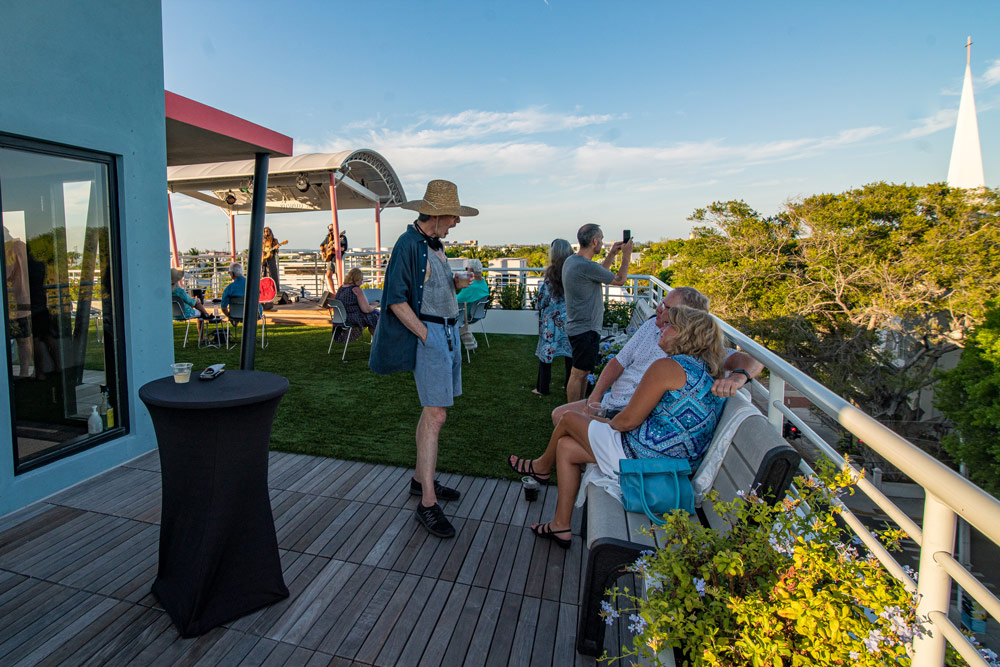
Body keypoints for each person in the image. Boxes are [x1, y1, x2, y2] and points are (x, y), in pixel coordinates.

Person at [508, 305, 728, 548]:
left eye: (668, 326)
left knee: (569, 418)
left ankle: (541, 467)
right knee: (567, 447)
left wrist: (599, 422)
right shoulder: (706, 370)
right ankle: (561, 525)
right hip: (670, 463)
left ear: (685, 333)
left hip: (644, 459)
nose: (661, 330)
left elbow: (627, 421)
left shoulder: (668, 367)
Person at [369, 179, 478, 539]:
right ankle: (428, 502)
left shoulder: (434, 245)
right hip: (432, 335)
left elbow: (430, 288)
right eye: (454, 216)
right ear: (437, 214)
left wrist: (456, 283)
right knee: (436, 413)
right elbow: (395, 298)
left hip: (446, 334)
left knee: (431, 411)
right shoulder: (408, 245)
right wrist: (426, 335)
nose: (457, 222)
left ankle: (420, 480)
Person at [552, 286, 763, 425]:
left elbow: (753, 361)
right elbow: (618, 362)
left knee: (567, 423)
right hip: (611, 402)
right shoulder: (650, 328)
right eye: (662, 303)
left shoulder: (700, 348)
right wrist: (595, 399)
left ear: (687, 317)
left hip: (632, 414)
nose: (659, 308)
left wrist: (738, 377)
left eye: (666, 307)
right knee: (558, 416)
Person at [563, 224, 633, 404]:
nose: (602, 242)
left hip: (579, 326)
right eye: (601, 239)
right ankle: (571, 411)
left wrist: (611, 255)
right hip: (585, 329)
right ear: (595, 241)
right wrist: (626, 256)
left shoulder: (573, 261)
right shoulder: (585, 266)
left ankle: (579, 407)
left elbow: (600, 274)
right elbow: (620, 280)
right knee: (578, 373)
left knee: (583, 372)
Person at [532, 239, 574, 395]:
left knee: (546, 356)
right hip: (569, 319)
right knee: (570, 355)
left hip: (551, 322)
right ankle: (568, 385)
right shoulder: (572, 271)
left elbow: (543, 299)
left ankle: (542, 388)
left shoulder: (550, 274)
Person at [171, 268, 218, 343]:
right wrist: (196, 300)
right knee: (198, 306)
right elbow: (191, 302)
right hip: (185, 313)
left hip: (172, 314)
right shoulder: (179, 291)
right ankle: (205, 317)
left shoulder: (168, 291)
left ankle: (206, 315)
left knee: (196, 303)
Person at [455, 258, 489, 350]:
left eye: (467, 269)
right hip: (478, 314)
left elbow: (457, 300)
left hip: (466, 316)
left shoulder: (470, 286)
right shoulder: (483, 283)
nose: (466, 271)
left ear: (471, 271)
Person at [335, 267, 380, 336]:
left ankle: (376, 341)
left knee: (373, 316)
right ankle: (379, 341)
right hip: (353, 319)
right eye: (361, 279)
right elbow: (366, 310)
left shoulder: (341, 288)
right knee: (376, 315)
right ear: (357, 279)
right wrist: (375, 304)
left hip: (341, 319)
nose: (362, 282)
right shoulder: (356, 289)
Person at [261, 226, 281, 292]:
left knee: (272, 274)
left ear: (270, 232)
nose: (265, 233)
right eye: (264, 231)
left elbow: (277, 252)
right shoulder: (262, 240)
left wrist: (277, 247)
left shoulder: (274, 240)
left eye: (267, 231)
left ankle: (275, 291)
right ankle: (264, 291)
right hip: (263, 260)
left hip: (271, 259)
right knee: (263, 274)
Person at [320, 225, 337, 294]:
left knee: (338, 276)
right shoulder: (328, 237)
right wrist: (323, 252)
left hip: (338, 259)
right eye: (330, 230)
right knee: (328, 275)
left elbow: (344, 248)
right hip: (330, 259)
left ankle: (340, 291)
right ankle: (333, 292)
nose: (331, 231)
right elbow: (322, 245)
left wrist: (336, 248)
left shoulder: (341, 237)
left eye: (333, 229)